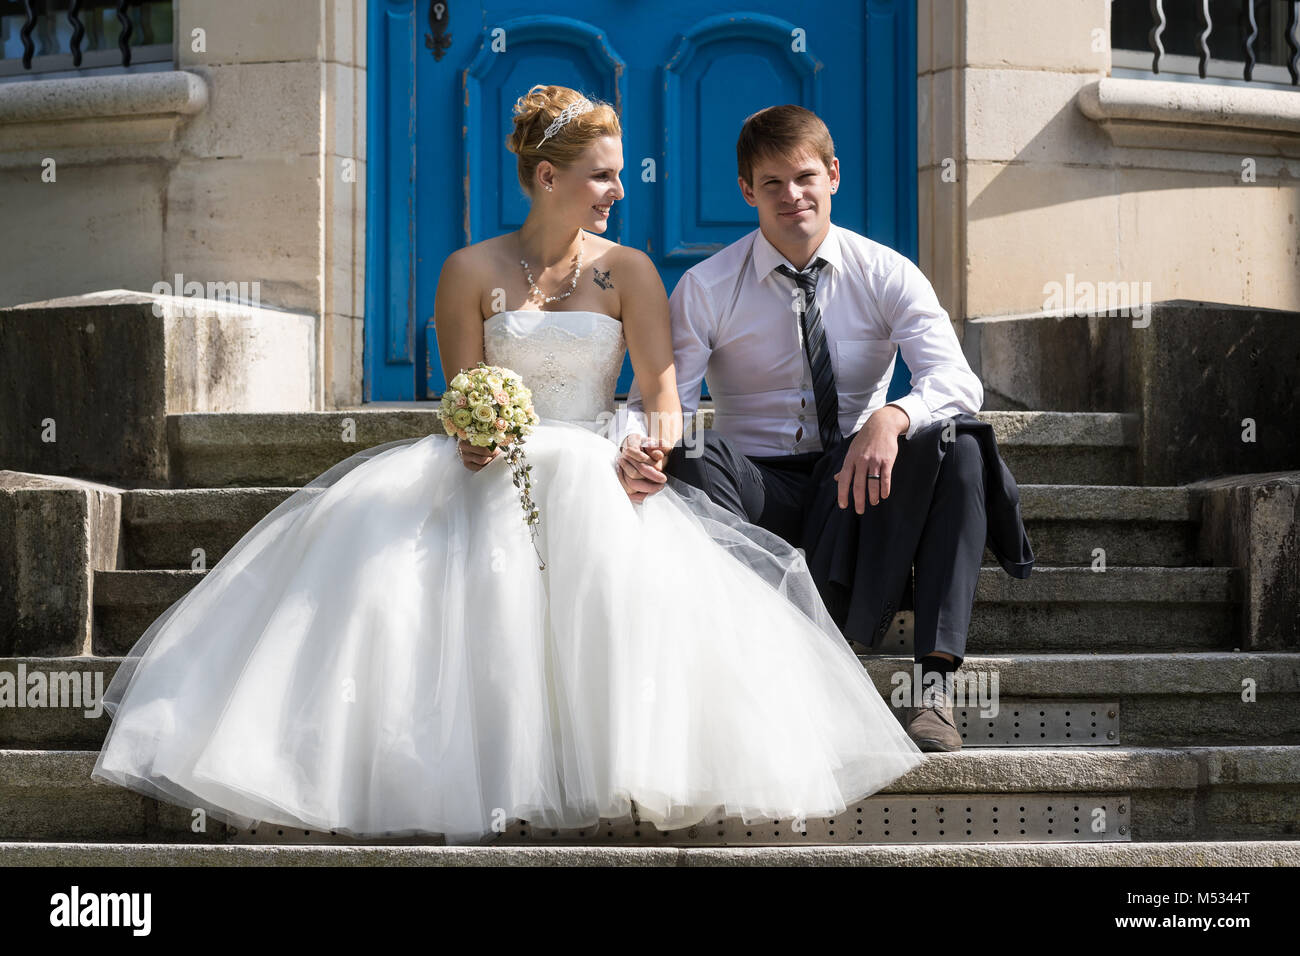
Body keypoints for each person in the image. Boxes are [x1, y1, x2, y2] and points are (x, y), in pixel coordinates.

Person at [90, 85, 924, 846]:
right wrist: (472, 436)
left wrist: (651, 446)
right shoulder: (468, 273)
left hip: (597, 464)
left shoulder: (629, 271)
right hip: (489, 467)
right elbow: (462, 395)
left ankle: (608, 766)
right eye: (602, 176)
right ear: (549, 177)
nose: (620, 190)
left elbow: (666, 392)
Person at [617, 105, 1035, 754]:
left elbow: (957, 383)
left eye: (805, 177)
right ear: (746, 191)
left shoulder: (886, 273)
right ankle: (752, 673)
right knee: (695, 454)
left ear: (833, 175)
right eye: (772, 183)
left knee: (962, 446)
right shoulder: (706, 287)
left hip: (858, 484)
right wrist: (638, 448)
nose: (792, 196)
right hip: (762, 492)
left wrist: (890, 417)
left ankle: (934, 690)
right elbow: (665, 399)